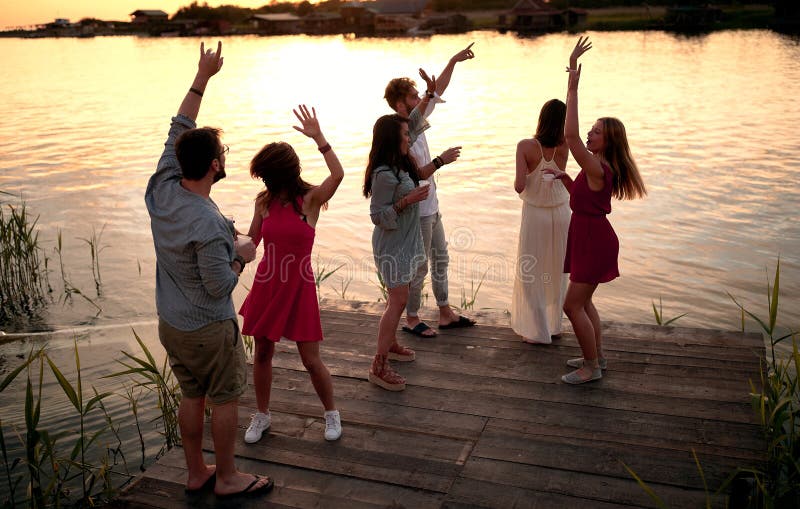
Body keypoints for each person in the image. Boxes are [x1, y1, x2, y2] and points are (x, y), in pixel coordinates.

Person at [145, 42, 273, 498]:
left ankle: (196, 470)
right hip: (208, 326)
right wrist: (242, 252)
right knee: (223, 398)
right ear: (215, 165)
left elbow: (180, 126)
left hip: (171, 323)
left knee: (191, 395)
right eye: (223, 153)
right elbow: (220, 285)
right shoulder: (209, 221)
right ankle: (228, 478)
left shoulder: (161, 185)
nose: (224, 156)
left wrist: (202, 77)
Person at [239, 105, 344, 443]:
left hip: (299, 285)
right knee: (263, 353)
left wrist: (319, 138)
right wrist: (222, 235)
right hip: (268, 283)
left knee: (311, 360)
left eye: (268, 175)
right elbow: (252, 241)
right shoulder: (263, 201)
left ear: (283, 173)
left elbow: (338, 175)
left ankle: (331, 414)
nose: (264, 181)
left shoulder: (310, 200)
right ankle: (262, 415)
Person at [548, 37, 647, 384]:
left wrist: (572, 86)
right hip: (589, 233)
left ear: (609, 141)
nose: (589, 134)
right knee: (585, 303)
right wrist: (563, 177)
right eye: (591, 129)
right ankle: (597, 358)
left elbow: (569, 137)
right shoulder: (600, 167)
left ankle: (590, 367)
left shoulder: (597, 167)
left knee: (572, 306)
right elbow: (583, 195)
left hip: (593, 237)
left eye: (596, 132)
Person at [384, 43, 476, 339]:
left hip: (432, 207)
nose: (420, 98)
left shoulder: (415, 121)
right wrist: (440, 160)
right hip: (417, 211)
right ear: (401, 104)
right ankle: (411, 318)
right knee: (419, 267)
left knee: (441, 258)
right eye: (414, 96)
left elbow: (436, 91)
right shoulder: (400, 130)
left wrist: (452, 61)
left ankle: (445, 312)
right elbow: (428, 99)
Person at [363, 107, 435, 391]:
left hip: (404, 241)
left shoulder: (401, 163)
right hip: (391, 245)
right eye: (405, 135)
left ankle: (391, 344)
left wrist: (429, 96)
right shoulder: (384, 174)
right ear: (393, 139)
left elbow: (414, 124)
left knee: (400, 299)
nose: (410, 138)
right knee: (398, 300)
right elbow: (377, 216)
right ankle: (378, 366)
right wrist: (408, 200)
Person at [510, 99, 570, 344]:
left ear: (541, 118)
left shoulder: (526, 146)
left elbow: (519, 186)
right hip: (562, 213)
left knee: (531, 271)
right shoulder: (565, 146)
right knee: (556, 270)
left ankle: (538, 332)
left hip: (536, 215)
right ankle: (554, 326)